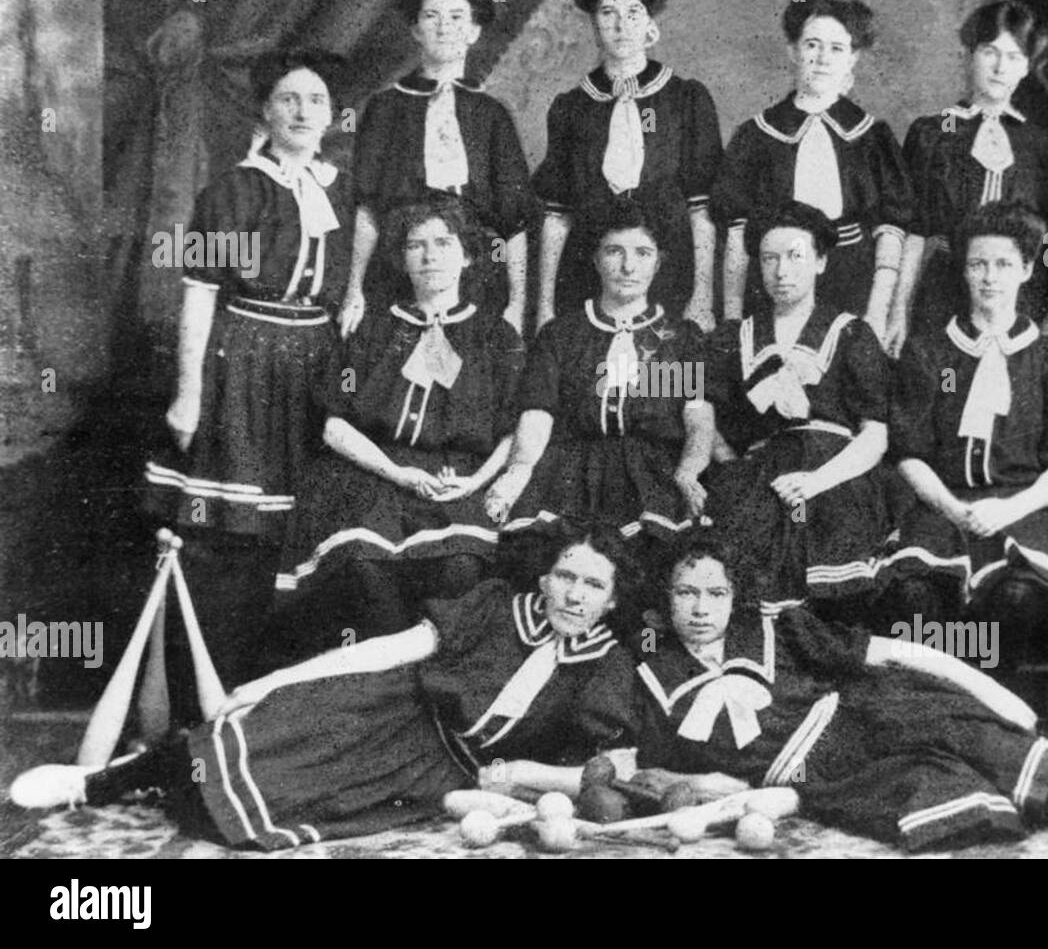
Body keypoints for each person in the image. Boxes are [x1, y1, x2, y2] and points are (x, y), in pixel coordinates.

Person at [9, 529, 639, 852]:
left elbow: (600, 766)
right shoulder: (497, 607)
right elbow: (388, 649)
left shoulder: (604, 664)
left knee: (215, 820)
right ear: (545, 575)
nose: (574, 595)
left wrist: (511, 776)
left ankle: (160, 780)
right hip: (389, 705)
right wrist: (271, 679)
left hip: (437, 774)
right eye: (565, 576)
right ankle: (96, 782)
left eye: (592, 585)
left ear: (612, 600)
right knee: (252, 735)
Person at [617, 536, 1048, 852]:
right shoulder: (654, 673)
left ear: (736, 596)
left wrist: (994, 692)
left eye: (715, 593)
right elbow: (672, 769)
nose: (701, 608)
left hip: (882, 711)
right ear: (665, 598)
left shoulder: (776, 626)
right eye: (685, 593)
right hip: (829, 779)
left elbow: (896, 652)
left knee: (1007, 757)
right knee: (953, 809)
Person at [143, 47, 351, 687]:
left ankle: (271, 699)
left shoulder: (341, 187)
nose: (301, 111)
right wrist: (189, 393)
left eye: (315, 100)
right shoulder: (232, 190)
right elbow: (200, 294)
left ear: (333, 115)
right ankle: (204, 696)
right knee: (235, 535)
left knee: (300, 534)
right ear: (264, 109)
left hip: (315, 367)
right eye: (288, 98)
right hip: (245, 363)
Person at [274, 197, 524, 644]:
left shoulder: (496, 336)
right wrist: (397, 473)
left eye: (444, 243)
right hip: (372, 474)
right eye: (416, 245)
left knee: (461, 565)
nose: (430, 256)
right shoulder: (371, 331)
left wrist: (476, 483)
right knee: (366, 567)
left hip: (459, 479)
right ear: (401, 258)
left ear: (467, 256)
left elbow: (513, 431)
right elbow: (333, 425)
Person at [877, 201, 1048, 680]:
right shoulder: (929, 352)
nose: (989, 277)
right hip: (944, 509)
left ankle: (1000, 711)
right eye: (978, 264)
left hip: (1028, 512)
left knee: (1016, 596)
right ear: (963, 270)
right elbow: (909, 452)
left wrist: (1008, 509)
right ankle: (942, 707)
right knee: (915, 595)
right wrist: (948, 506)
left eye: (1003, 265)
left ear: (1025, 270)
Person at [486, 197, 714, 579]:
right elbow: (538, 415)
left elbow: (697, 419)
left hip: (648, 475)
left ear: (659, 261)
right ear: (594, 259)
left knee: (650, 565)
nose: (628, 266)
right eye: (614, 251)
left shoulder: (676, 338)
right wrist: (519, 471)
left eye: (642, 253)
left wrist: (688, 471)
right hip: (570, 471)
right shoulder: (562, 334)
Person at [704, 202, 892, 611]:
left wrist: (817, 481)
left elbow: (875, 435)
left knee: (830, 586)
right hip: (762, 474)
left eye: (795, 256)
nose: (781, 271)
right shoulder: (733, 338)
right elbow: (707, 416)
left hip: (837, 475)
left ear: (821, 262)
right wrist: (738, 470)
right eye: (770, 259)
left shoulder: (852, 333)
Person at [339, 0, 534, 337]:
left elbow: (514, 222)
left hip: (474, 275)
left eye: (457, 16)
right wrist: (354, 290)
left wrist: (515, 304)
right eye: (432, 15)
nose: (445, 27)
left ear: (474, 31)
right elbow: (368, 209)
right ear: (415, 29)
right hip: (399, 269)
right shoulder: (385, 108)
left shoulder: (492, 115)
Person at [533, 0, 722, 331]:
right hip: (588, 270)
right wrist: (545, 306)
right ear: (593, 24)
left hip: (669, 269)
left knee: (663, 380)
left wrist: (701, 295)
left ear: (650, 22)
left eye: (633, 12)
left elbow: (702, 211)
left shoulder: (685, 99)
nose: (621, 26)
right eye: (608, 13)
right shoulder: (571, 107)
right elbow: (557, 217)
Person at [714, 0, 912, 337]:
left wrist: (877, 313)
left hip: (854, 281)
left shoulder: (873, 137)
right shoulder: (756, 135)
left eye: (837, 48)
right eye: (812, 45)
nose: (822, 59)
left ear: (853, 58)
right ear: (793, 51)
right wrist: (732, 316)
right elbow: (736, 233)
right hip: (776, 280)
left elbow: (891, 227)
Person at [895, 0, 1048, 352]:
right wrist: (898, 310)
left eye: (1014, 57)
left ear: (1026, 68)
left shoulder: (1040, 145)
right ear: (969, 55)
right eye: (989, 52)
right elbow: (912, 232)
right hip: (945, 288)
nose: (999, 67)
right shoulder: (933, 132)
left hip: (1020, 296)